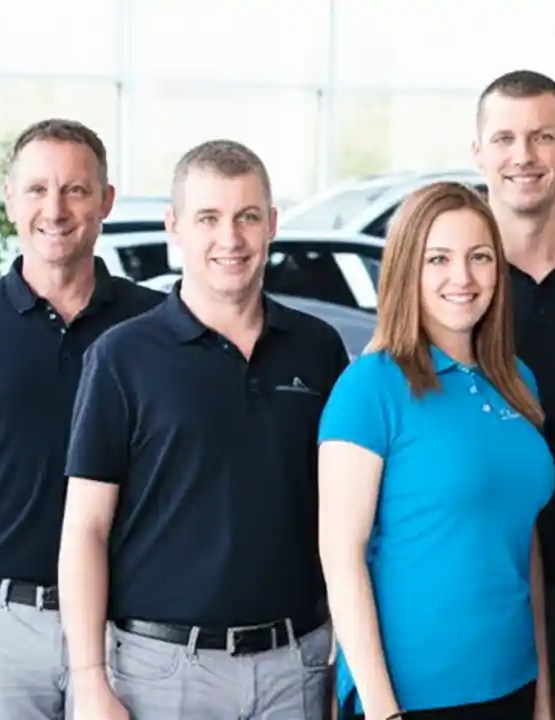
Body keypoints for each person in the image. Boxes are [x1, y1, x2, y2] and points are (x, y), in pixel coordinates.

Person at [59, 139, 348, 720]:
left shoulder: (318, 350)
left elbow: (342, 513)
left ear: (271, 224)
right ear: (176, 226)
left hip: (296, 663)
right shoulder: (122, 357)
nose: (230, 239)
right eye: (208, 218)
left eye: (246, 217)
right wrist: (90, 679)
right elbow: (85, 527)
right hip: (163, 672)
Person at [0, 119, 161, 719]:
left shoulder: (155, 328)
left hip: (129, 627)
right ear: (10, 200)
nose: (54, 209)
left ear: (106, 200)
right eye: (36, 189)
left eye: (76, 190)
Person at [319, 181, 554, 720]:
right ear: (407, 269)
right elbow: (341, 557)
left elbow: (525, 542)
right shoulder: (370, 387)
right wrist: (381, 709)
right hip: (412, 695)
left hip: (510, 680)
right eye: (439, 259)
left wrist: (541, 694)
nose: (462, 278)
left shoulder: (517, 382)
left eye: (479, 258)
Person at [471, 69, 555, 696]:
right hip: (485, 579)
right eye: (503, 138)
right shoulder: (451, 283)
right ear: (478, 153)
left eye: (542, 137)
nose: (522, 156)